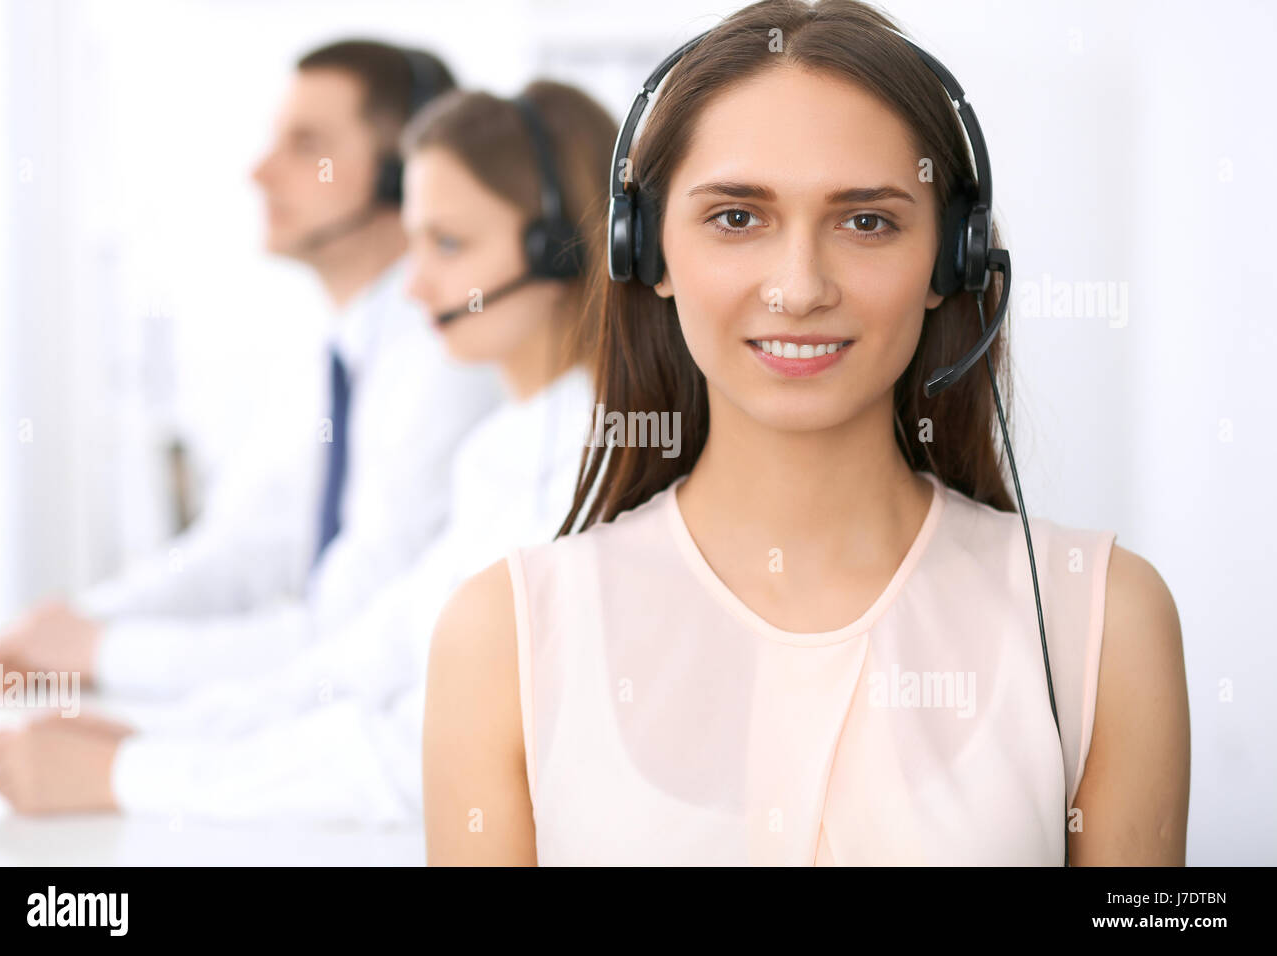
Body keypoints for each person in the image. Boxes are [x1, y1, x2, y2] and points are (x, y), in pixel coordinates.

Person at [422, 0, 1190, 866]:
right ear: (650, 253)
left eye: (867, 221)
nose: (798, 287)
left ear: (952, 262)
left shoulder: (1104, 620)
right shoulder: (503, 637)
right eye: (737, 218)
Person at [0, 82, 617, 852]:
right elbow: (360, 660)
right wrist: (149, 734)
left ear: (561, 246)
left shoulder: (595, 463)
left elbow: (419, 752)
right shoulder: (503, 450)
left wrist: (134, 772)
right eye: (415, 244)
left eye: (449, 246)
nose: (414, 287)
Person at [0, 41, 502, 698]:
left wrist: (102, 652)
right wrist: (74, 629)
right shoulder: (337, 357)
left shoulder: (447, 363)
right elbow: (243, 554)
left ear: (404, 173)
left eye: (305, 145)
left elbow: (344, 636)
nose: (259, 172)